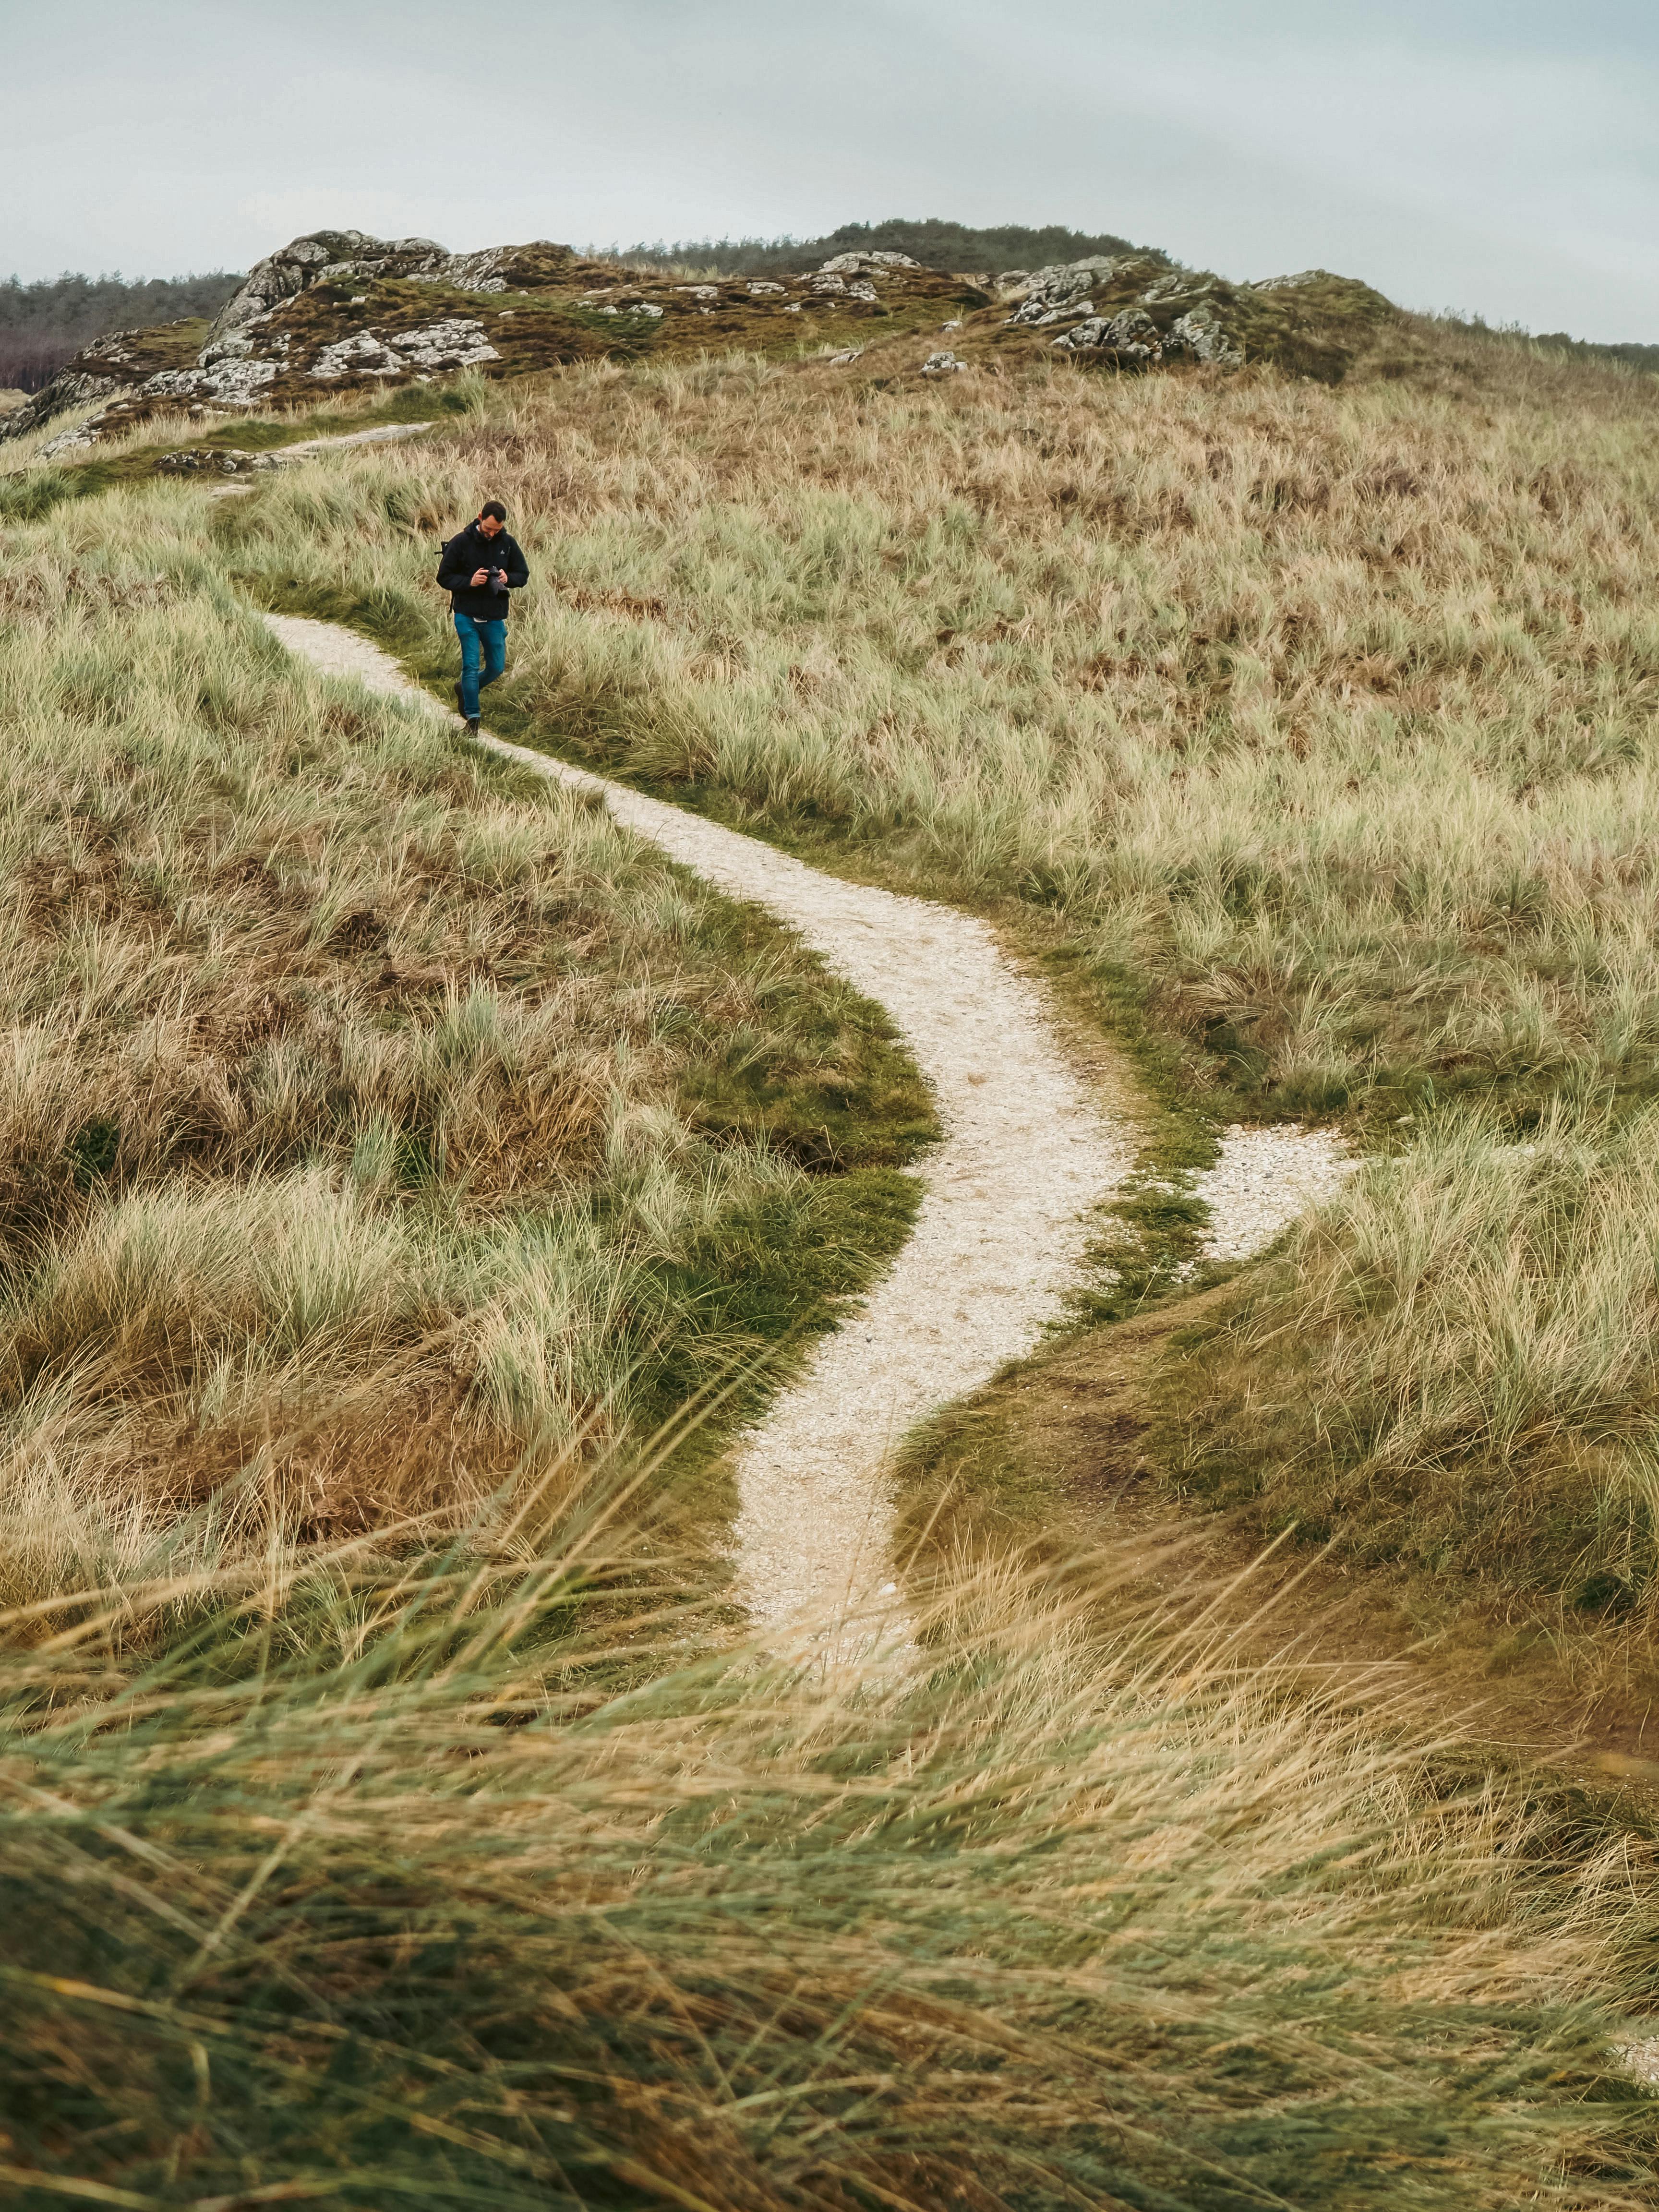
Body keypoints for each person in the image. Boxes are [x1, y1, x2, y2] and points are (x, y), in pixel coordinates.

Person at [436, 500, 529, 731]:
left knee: (497, 667)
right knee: (470, 665)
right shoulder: (460, 542)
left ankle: (465, 689)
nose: (492, 534)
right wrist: (470, 582)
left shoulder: (507, 543)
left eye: (497, 530)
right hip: (466, 614)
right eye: (489, 529)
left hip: (495, 616)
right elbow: (444, 577)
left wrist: (510, 579)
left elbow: (523, 574)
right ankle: (473, 720)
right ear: (480, 517)